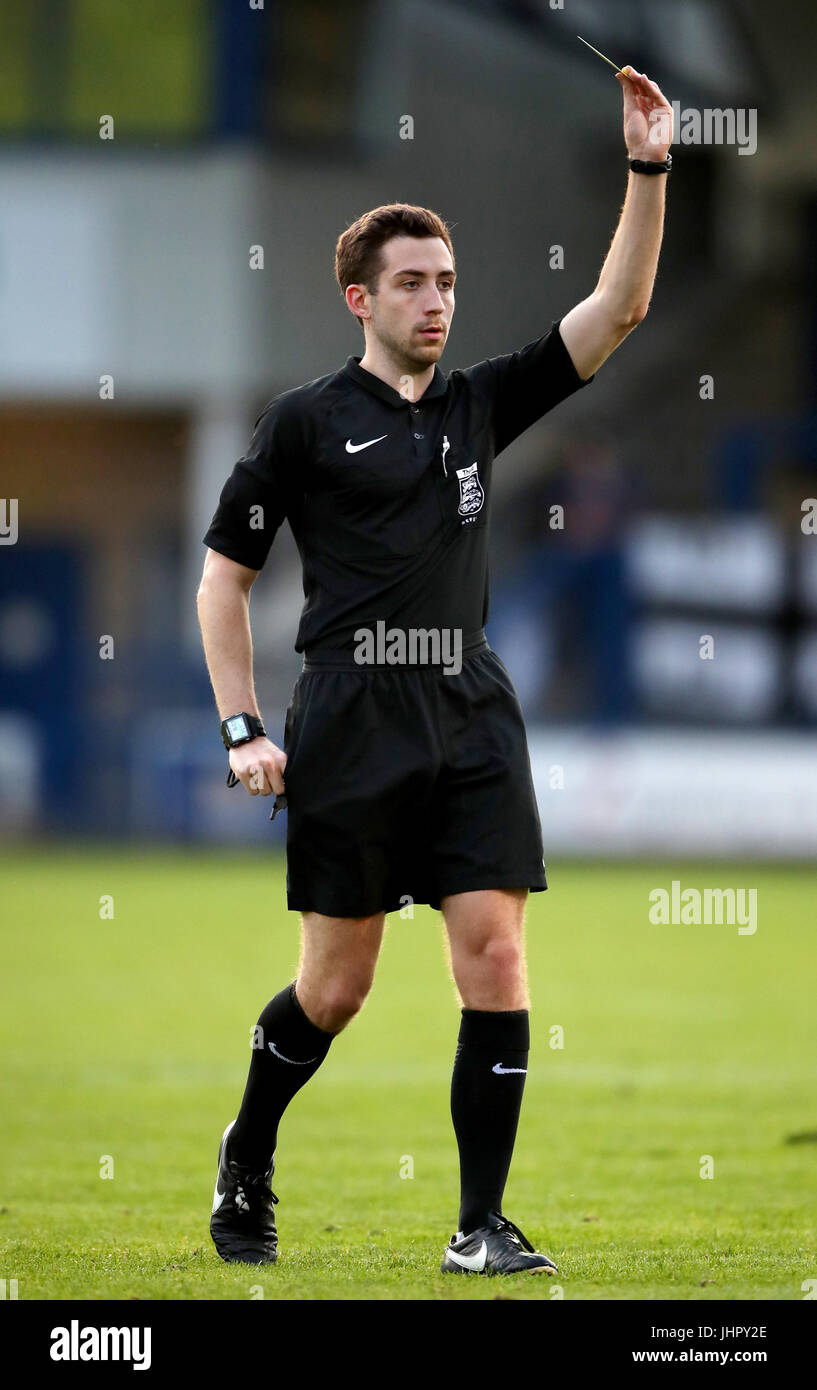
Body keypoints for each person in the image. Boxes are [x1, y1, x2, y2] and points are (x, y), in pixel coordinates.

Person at [197, 66, 672, 1276]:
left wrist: (648, 165)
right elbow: (223, 581)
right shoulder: (303, 422)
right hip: (350, 710)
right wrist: (242, 725)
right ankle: (247, 1151)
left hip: (468, 701)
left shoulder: (477, 404)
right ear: (360, 296)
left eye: (447, 282)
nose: (435, 302)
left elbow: (616, 309)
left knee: (498, 954)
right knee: (337, 986)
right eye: (411, 282)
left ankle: (479, 1223)